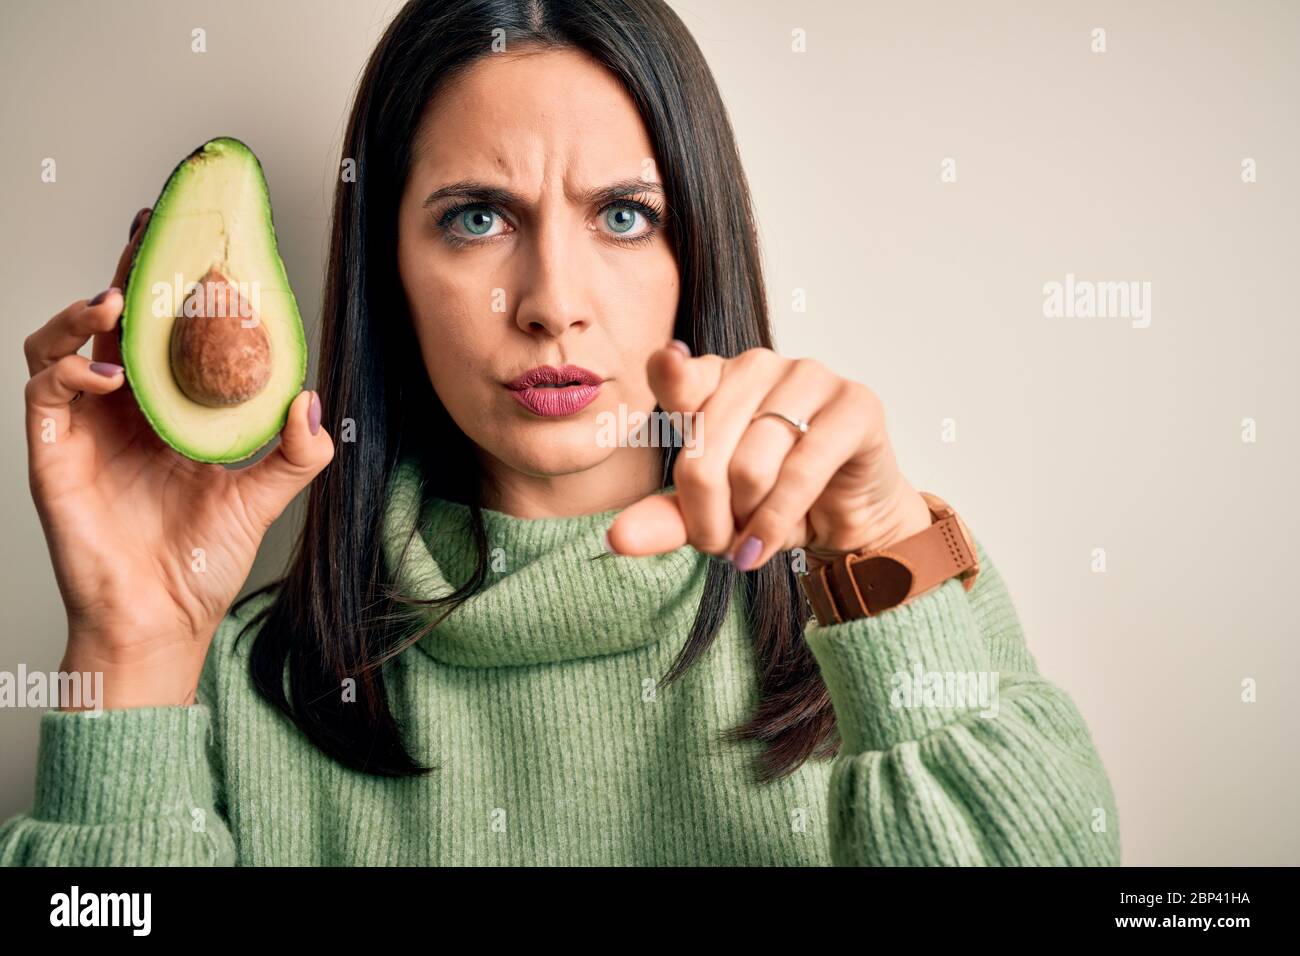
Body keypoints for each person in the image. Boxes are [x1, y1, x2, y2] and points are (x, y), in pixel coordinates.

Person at [1, 0, 1119, 866]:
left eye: (624, 216)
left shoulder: (897, 589)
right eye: (476, 217)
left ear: (698, 259)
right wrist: (131, 648)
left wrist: (879, 556)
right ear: (388, 269)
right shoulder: (239, 685)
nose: (550, 302)